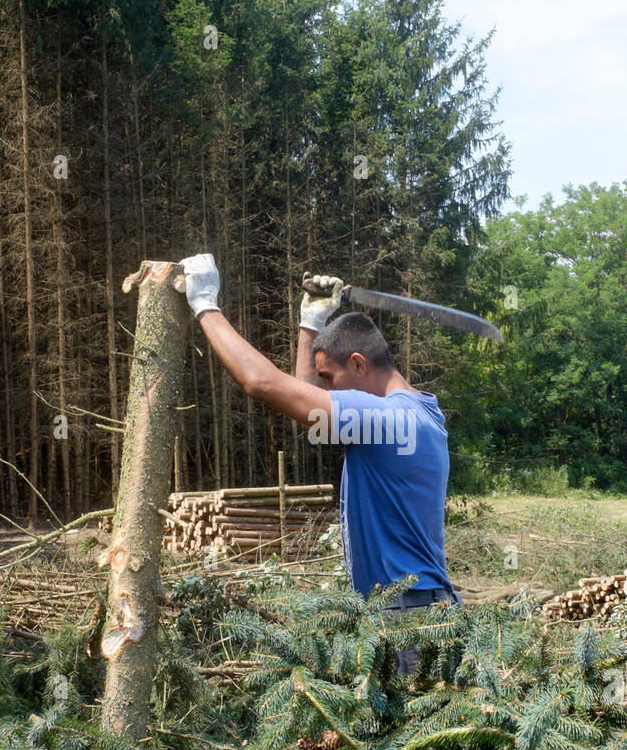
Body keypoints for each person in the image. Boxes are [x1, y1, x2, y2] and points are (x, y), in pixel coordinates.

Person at [180, 253, 460, 673]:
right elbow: (306, 404)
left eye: (329, 379)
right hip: (408, 607)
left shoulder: (387, 421)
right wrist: (310, 325)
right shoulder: (416, 414)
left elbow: (263, 384)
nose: (325, 390)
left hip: (409, 615)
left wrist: (206, 306)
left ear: (359, 364)